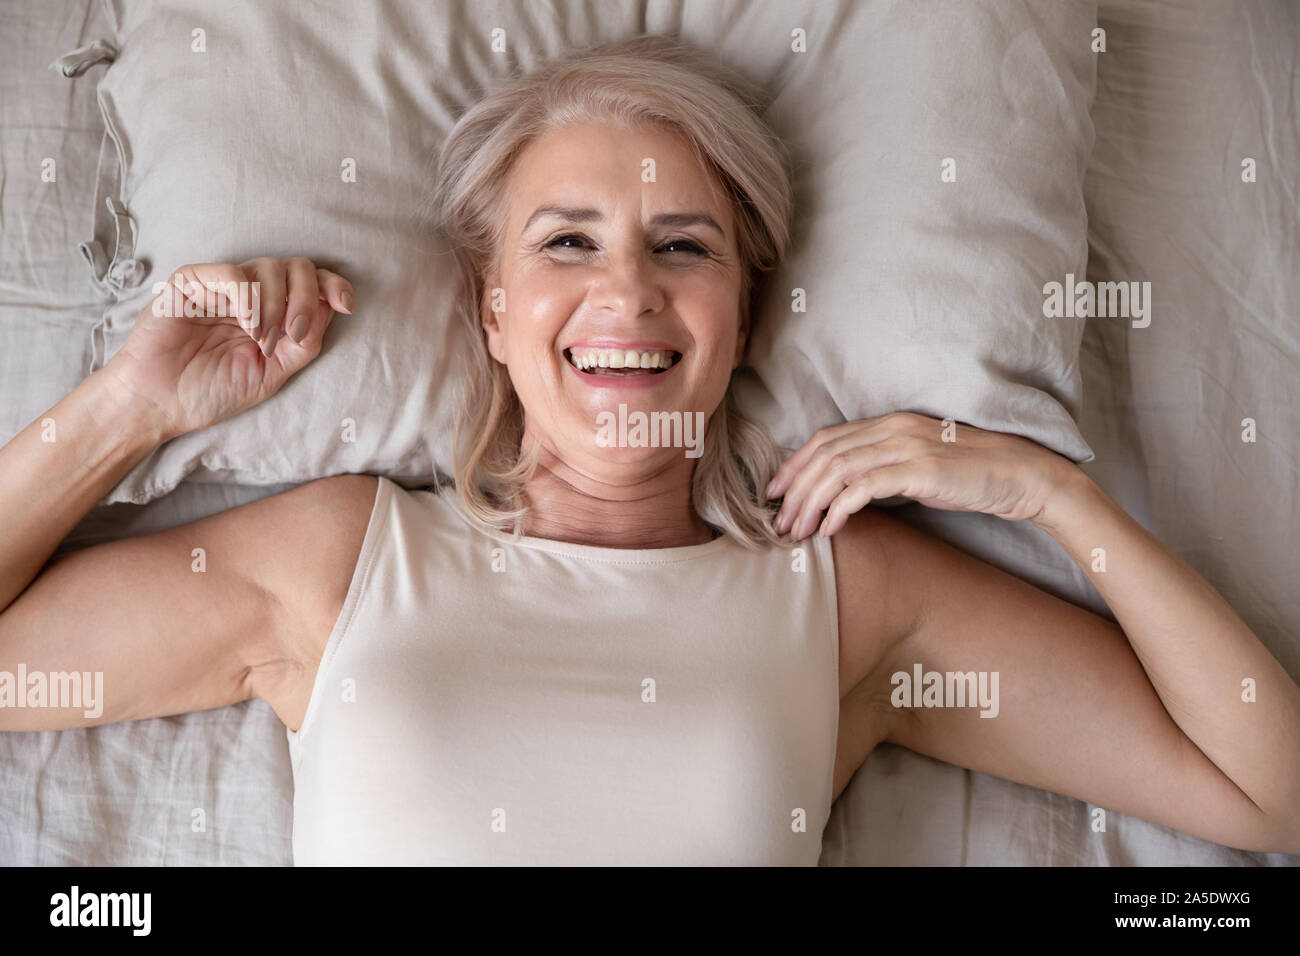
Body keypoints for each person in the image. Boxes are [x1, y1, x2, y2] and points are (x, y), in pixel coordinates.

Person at [1, 35, 1296, 864]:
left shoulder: (844, 599)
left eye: (684, 246)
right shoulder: (341, 562)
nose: (626, 294)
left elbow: (1268, 795)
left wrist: (1053, 496)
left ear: (740, 320)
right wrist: (130, 410)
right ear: (494, 316)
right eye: (567, 243)